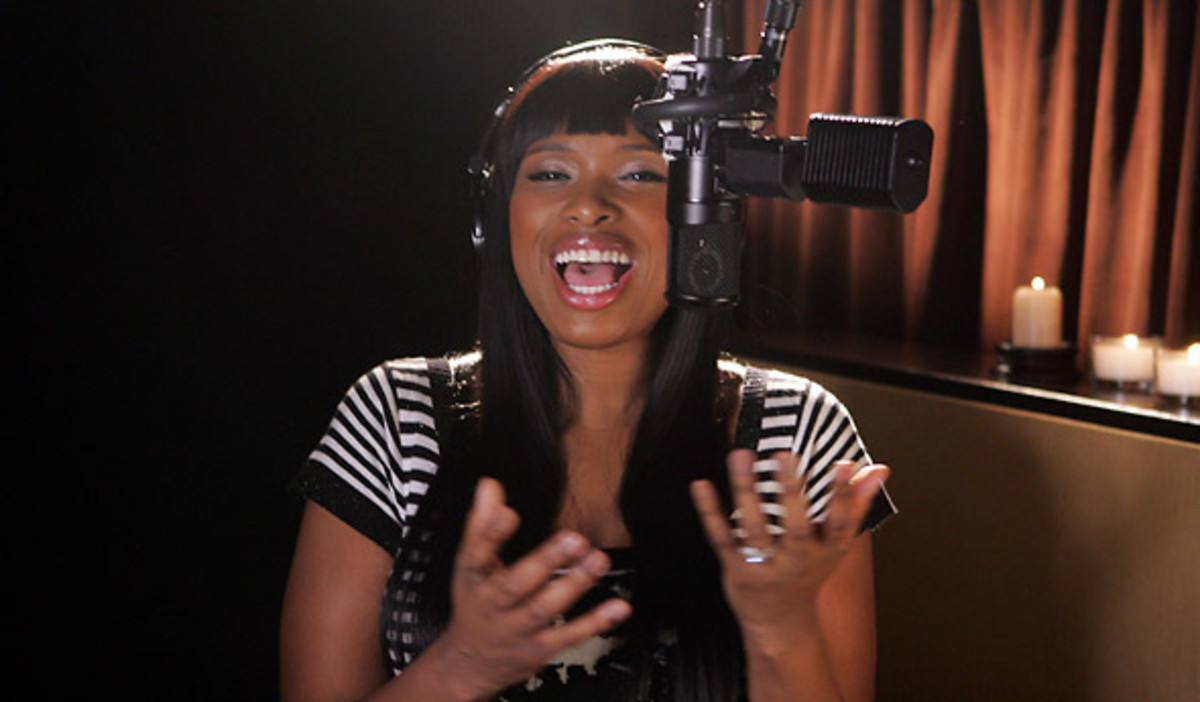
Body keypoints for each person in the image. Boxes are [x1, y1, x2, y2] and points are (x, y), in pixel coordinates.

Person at [280, 40, 894, 702]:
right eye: (550, 174)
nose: (589, 205)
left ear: (705, 219)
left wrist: (782, 634)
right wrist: (458, 669)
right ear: (496, 217)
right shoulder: (393, 418)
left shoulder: (796, 436)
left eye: (639, 174)